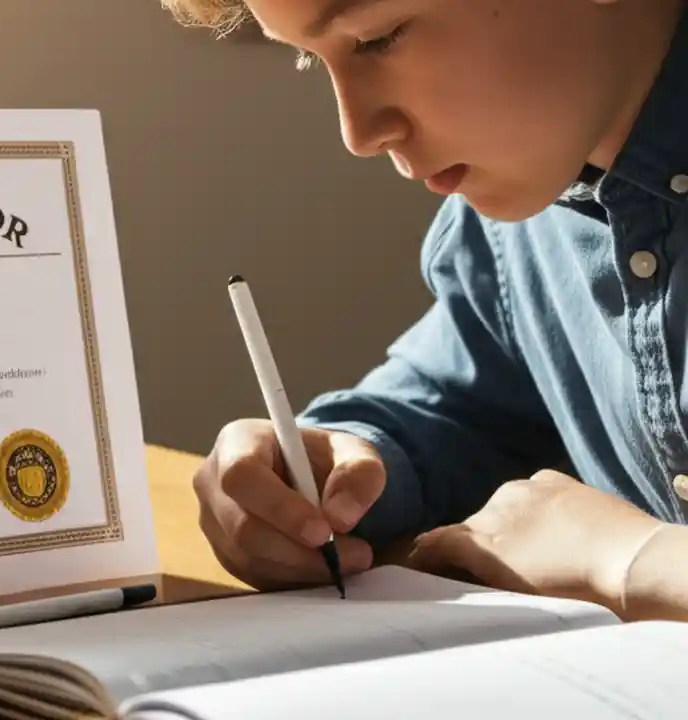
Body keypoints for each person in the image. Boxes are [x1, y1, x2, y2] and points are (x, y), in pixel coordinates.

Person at [160, 0, 688, 622]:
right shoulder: (520, 216)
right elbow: (469, 412)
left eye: (379, 38)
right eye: (310, 57)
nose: (358, 133)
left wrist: (639, 562)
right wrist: (331, 467)